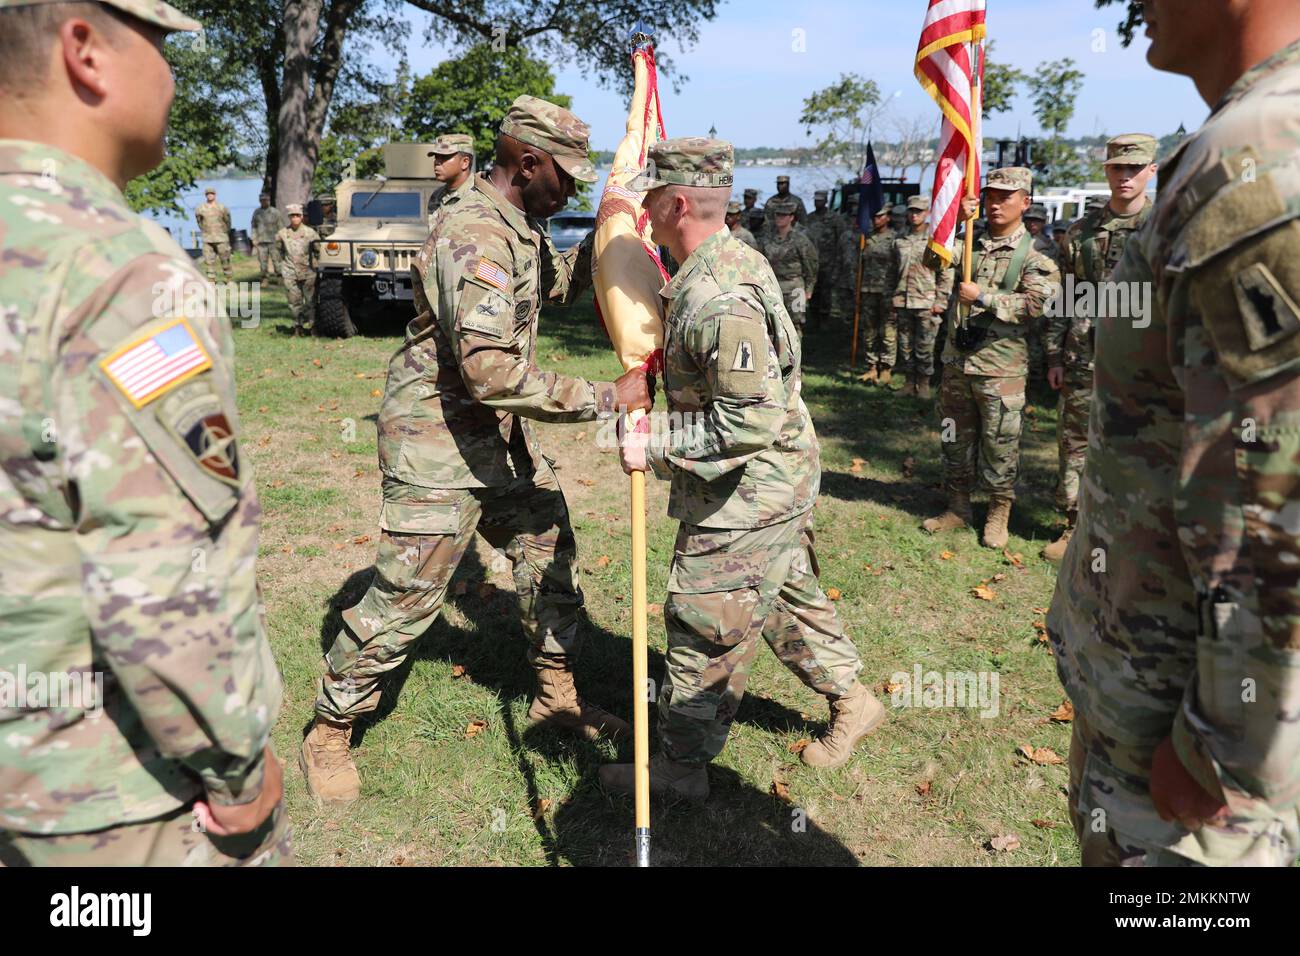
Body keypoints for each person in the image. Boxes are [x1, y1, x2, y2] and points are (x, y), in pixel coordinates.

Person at [300, 95, 652, 805]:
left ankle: (557, 694)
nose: (573, 187)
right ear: (528, 163)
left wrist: (613, 229)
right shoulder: (473, 233)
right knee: (409, 593)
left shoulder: (517, 223)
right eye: (566, 175)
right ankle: (330, 728)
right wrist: (607, 396)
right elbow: (490, 371)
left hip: (494, 436)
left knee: (548, 549)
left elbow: (549, 286)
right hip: (438, 440)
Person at [0, 0, 288, 866]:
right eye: (161, 45)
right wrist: (238, 771)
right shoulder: (117, 273)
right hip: (98, 798)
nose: (172, 74)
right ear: (84, 51)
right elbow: (159, 573)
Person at [1048, 0, 1300, 867]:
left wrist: (1215, 738)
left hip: (1188, 743)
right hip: (1152, 686)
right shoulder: (1245, 136)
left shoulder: (1261, 152)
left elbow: (1286, 492)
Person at [600, 137, 884, 800]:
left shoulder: (722, 296)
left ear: (675, 203)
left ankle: (679, 769)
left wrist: (657, 446)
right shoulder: (710, 266)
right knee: (782, 596)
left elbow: (748, 422)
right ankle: (854, 700)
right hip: (767, 476)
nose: (639, 210)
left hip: (749, 488)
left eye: (648, 199)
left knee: (704, 619)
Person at [921, 167, 1060, 549]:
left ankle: (999, 511)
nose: (996, 203)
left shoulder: (1036, 253)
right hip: (957, 363)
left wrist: (982, 297)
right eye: (991, 196)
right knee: (953, 437)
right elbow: (931, 260)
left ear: (1025, 202)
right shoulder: (970, 242)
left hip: (1001, 369)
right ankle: (957, 506)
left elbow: (1039, 303)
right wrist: (953, 224)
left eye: (1006, 196)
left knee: (1000, 444)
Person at [1041, 133, 1157, 564]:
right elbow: (1064, 296)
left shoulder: (1165, 227)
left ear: (1151, 170)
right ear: (1106, 171)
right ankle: (1075, 527)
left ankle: (1134, 534)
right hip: (1083, 356)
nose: (1125, 176)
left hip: (1145, 360)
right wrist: (1053, 354)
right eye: (1117, 168)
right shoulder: (1081, 231)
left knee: (1141, 445)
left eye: (1134, 168)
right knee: (1076, 442)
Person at [890, 195, 953, 399]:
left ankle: (924, 384)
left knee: (925, 346)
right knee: (905, 345)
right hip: (902, 299)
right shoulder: (899, 239)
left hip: (927, 301)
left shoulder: (936, 240)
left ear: (927, 214)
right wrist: (890, 296)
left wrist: (941, 301)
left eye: (919, 211)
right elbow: (892, 270)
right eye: (911, 211)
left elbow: (945, 273)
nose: (914, 215)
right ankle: (909, 383)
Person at [759, 196, 819, 336]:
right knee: (772, 324)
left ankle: (795, 356)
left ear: (791, 217)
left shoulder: (800, 240)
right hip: (772, 287)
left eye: (784, 215)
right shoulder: (766, 239)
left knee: (795, 324)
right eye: (777, 215)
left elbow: (811, 264)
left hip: (795, 287)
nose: (780, 218)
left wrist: (809, 288)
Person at [856, 204, 898, 385]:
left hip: (887, 290)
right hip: (868, 289)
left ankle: (886, 368)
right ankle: (872, 366)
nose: (876, 220)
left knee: (888, 330)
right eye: (874, 217)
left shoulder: (895, 239)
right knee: (869, 330)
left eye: (880, 216)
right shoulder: (867, 238)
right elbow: (861, 265)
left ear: (888, 217)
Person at [804, 189, 845, 330]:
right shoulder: (809, 218)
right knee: (813, 292)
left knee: (826, 293)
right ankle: (814, 318)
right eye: (816, 200)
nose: (817, 202)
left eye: (820, 200)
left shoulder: (835, 219)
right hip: (812, 263)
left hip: (829, 262)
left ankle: (824, 320)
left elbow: (841, 239)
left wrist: (837, 261)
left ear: (826, 201)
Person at [276, 203, 319, 336]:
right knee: (294, 302)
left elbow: (318, 249)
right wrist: (282, 269)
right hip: (290, 272)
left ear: (301, 217)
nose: (295, 218)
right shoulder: (282, 234)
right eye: (292, 216)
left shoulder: (311, 233)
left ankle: (313, 327)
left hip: (308, 272)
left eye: (297, 215)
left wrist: (316, 265)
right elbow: (279, 251)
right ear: (289, 217)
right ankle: (298, 327)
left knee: (311, 301)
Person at [427, 132, 475, 219]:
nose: (437, 162)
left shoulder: (481, 195)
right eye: (436, 157)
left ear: (465, 162)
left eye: (444, 157)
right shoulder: (436, 196)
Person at [196, 185, 233, 282]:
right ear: (205, 196)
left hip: (221, 238)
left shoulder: (222, 207)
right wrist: (205, 231)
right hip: (207, 238)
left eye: (211, 194)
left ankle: (228, 279)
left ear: (215, 195)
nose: (210, 196)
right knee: (209, 261)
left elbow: (228, 221)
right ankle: (211, 280)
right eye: (208, 194)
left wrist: (224, 232)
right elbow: (199, 222)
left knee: (225, 259)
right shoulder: (200, 208)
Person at [250, 191, 285, 283]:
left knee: (277, 260)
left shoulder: (275, 212)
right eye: (262, 200)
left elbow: (281, 226)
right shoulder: (257, 212)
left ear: (269, 200)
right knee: (262, 261)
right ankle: (264, 278)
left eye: (266, 200)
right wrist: (253, 238)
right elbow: (253, 226)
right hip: (261, 241)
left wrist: (280, 238)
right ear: (259, 201)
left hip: (274, 241)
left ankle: (280, 277)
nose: (264, 202)